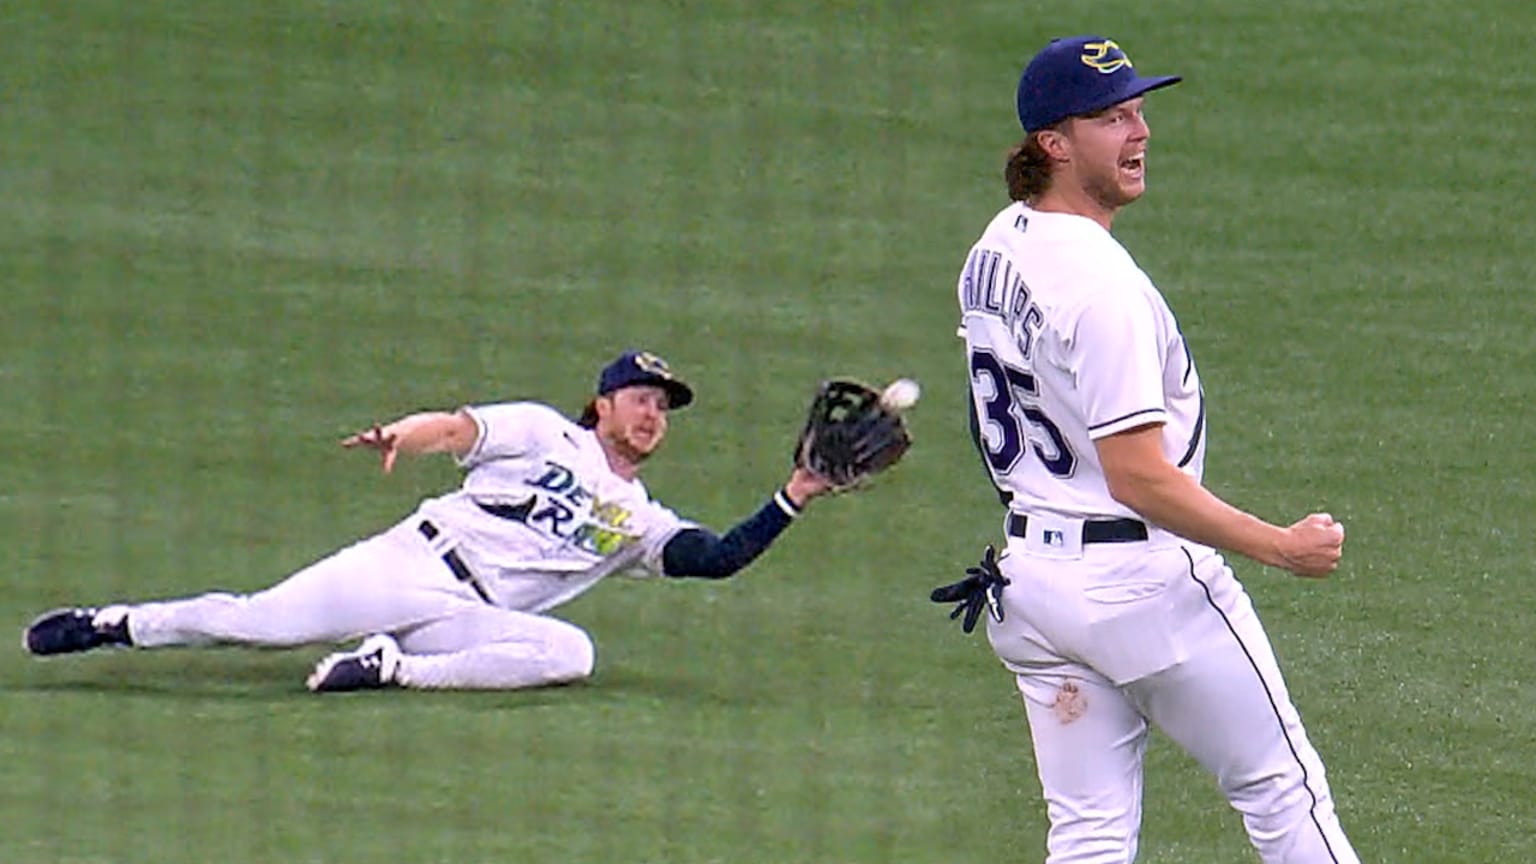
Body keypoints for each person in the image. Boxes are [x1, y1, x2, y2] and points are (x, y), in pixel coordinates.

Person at [949, 36, 1360, 863]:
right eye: (1111, 119)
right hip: (1137, 589)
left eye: (1138, 111)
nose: (1139, 133)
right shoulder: (1103, 288)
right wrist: (1278, 547)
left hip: (1035, 585)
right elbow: (1138, 476)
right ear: (1053, 143)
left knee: (1089, 835)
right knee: (1282, 789)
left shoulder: (996, 246)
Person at [24, 350, 835, 692]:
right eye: (641, 399)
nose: (653, 414)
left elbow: (716, 557)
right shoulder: (542, 430)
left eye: (663, 406)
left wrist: (795, 492)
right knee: (256, 625)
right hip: (410, 565)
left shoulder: (639, 521)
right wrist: (400, 437)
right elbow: (453, 430)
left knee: (571, 653)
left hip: (466, 617)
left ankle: (392, 670)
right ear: (602, 404)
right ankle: (115, 623)